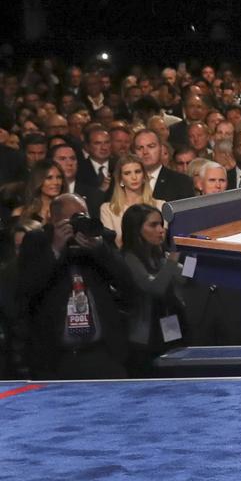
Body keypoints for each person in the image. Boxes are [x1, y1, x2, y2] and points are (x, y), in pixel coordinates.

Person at [13, 194, 136, 379]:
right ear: (54, 219)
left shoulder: (102, 238)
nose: (81, 221)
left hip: (102, 354)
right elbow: (27, 288)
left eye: (84, 215)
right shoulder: (37, 241)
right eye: (74, 217)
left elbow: (128, 284)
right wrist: (55, 248)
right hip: (56, 358)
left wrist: (100, 250)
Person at [114, 202, 187, 375]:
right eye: (153, 225)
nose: (161, 230)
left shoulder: (161, 256)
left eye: (161, 224)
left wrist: (190, 253)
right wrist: (172, 260)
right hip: (144, 341)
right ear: (136, 229)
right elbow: (155, 287)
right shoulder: (128, 258)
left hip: (170, 332)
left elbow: (186, 277)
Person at [96, 157, 151, 239]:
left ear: (144, 176)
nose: (134, 177)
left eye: (137, 172)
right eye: (127, 173)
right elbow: (111, 244)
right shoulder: (108, 209)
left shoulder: (160, 205)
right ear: (120, 180)